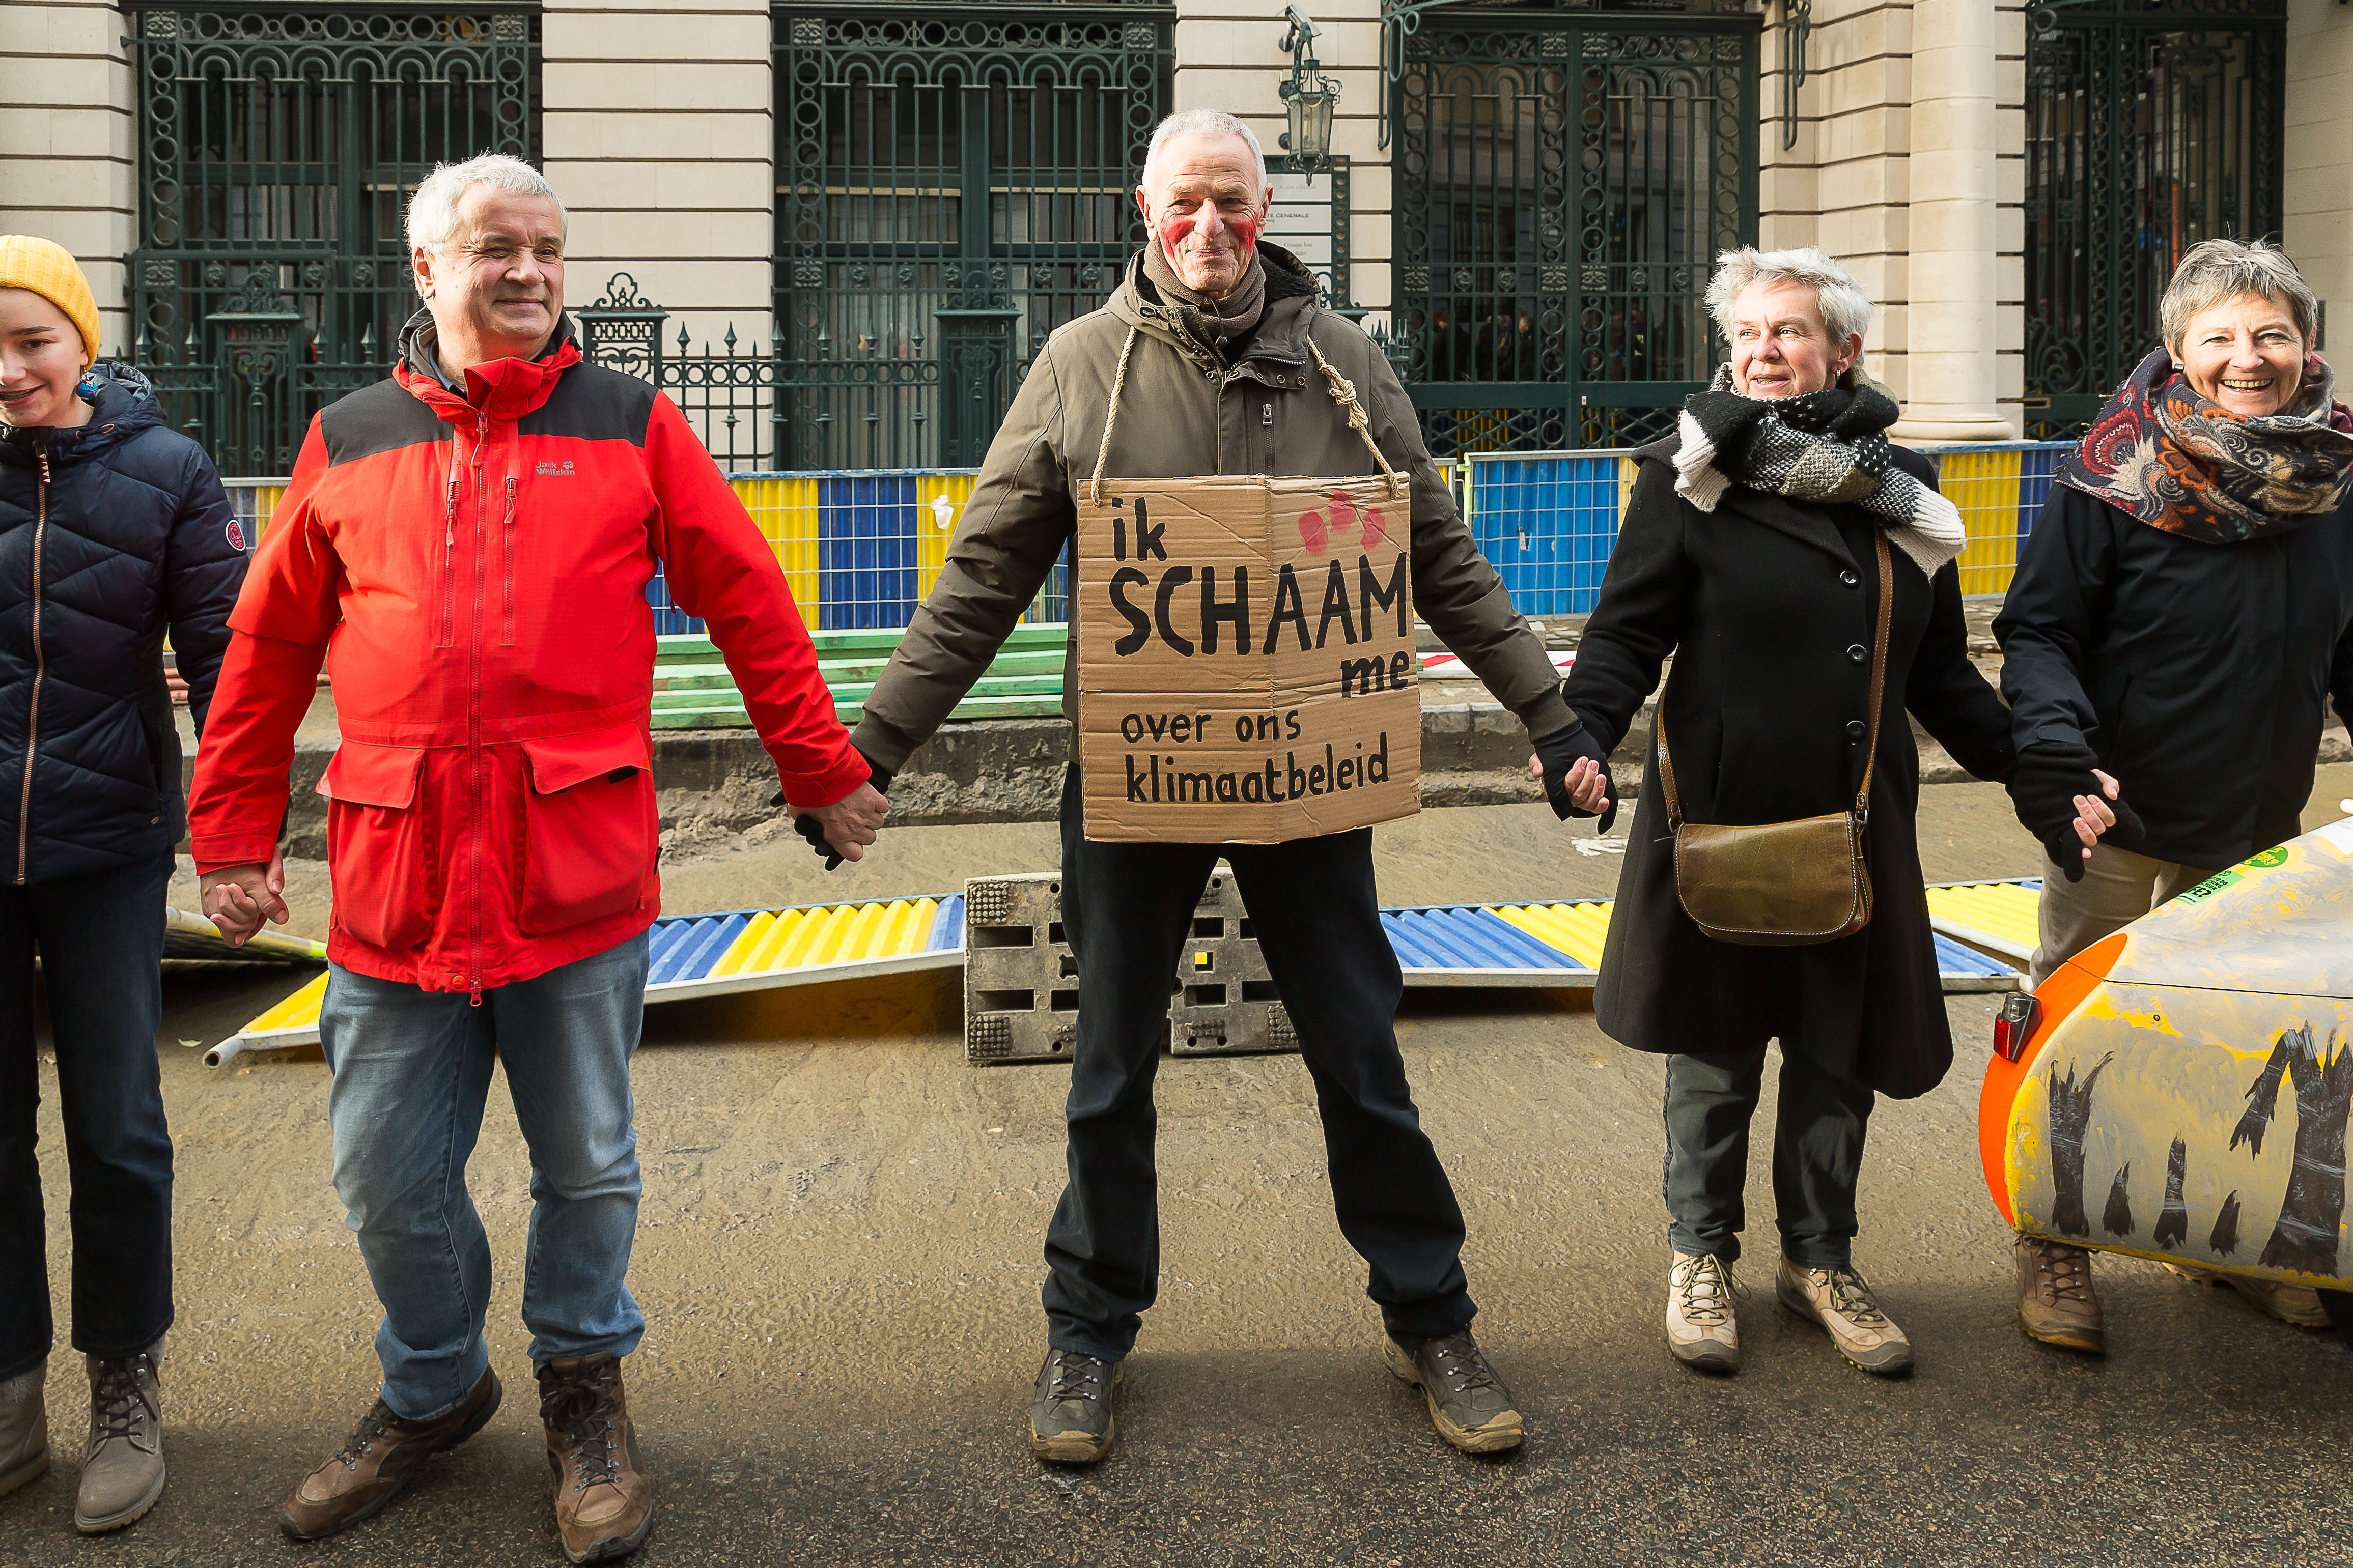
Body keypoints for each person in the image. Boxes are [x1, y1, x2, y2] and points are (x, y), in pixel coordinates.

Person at [186, 154, 885, 1562]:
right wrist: (231, 838)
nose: (528, 272)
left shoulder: (630, 421)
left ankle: (583, 1385)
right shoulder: (349, 436)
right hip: (397, 888)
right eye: (496, 248)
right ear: (428, 271)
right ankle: (434, 1385)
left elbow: (747, 596)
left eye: (548, 249)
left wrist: (823, 769)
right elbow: (263, 654)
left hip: (574, 878)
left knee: (588, 1168)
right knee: (384, 1176)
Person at [852, 109, 1574, 1463]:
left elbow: (1440, 560)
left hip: (1308, 788)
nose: (1208, 229)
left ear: (1262, 212)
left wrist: (1549, 715)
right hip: (1137, 783)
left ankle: (1432, 1315)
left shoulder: (1343, 364)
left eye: (1231, 204)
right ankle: (1086, 1333)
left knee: (1359, 1055)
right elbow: (976, 589)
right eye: (1185, 203)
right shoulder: (1080, 370)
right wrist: (869, 754)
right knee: (1109, 1061)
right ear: (1142, 209)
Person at [1550, 245, 2117, 1378]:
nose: (1764, 352)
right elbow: (1623, 633)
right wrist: (1579, 733)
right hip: (1716, 815)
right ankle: (1699, 1257)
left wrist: (2039, 781)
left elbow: (1943, 675)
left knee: (1832, 1055)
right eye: (1747, 334)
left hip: (1855, 821)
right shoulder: (1688, 474)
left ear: (1842, 350)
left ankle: (1819, 1260)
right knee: (1711, 1055)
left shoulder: (1901, 491)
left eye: (1789, 332)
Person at [1998, 237, 2353, 1353]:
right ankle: (2054, 1236)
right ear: (2175, 352)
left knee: (2235, 1040)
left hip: (2252, 819)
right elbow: (2039, 630)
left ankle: (2226, 1244)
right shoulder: (2112, 471)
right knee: (2073, 1027)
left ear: (2307, 349)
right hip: (2116, 811)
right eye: (2221, 339)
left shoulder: (2335, 483)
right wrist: (2057, 747)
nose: (2247, 358)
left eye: (2271, 336)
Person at [0, 236, 244, 1535]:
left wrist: (237, 836)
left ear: (81, 343)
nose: (8, 369)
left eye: (32, 339)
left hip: (104, 844)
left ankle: (125, 1385)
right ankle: (8, 1386)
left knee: (117, 1127)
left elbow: (229, 662)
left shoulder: (166, 471)